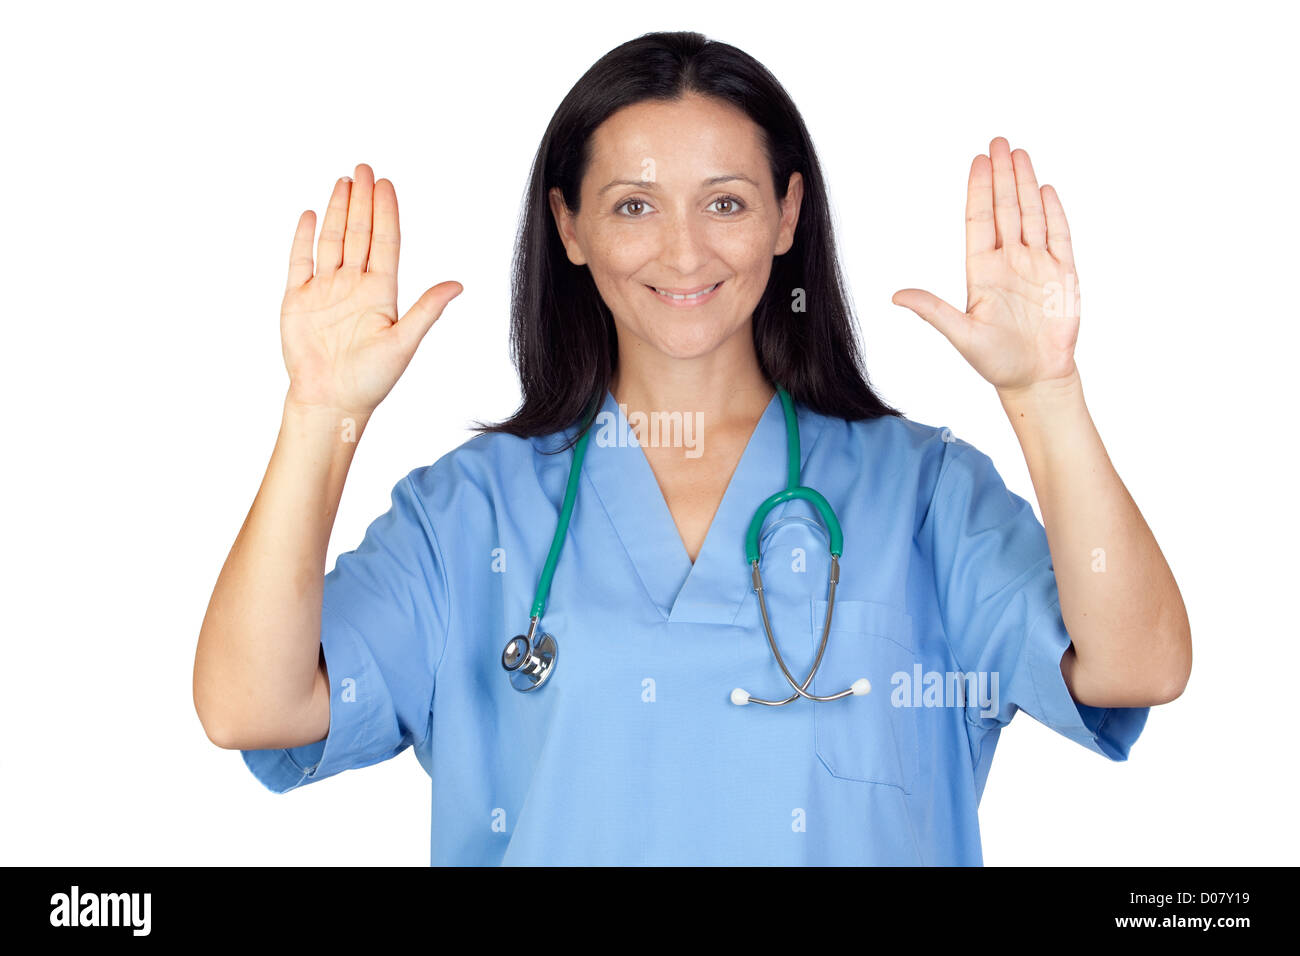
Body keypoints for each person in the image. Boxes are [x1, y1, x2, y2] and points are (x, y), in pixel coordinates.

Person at [193, 30, 1191, 865]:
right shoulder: (468, 515)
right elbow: (250, 703)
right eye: (633, 205)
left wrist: (1042, 393)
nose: (682, 251)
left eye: (725, 202)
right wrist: (320, 411)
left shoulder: (919, 493)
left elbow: (1137, 664)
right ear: (568, 226)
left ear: (787, 215)